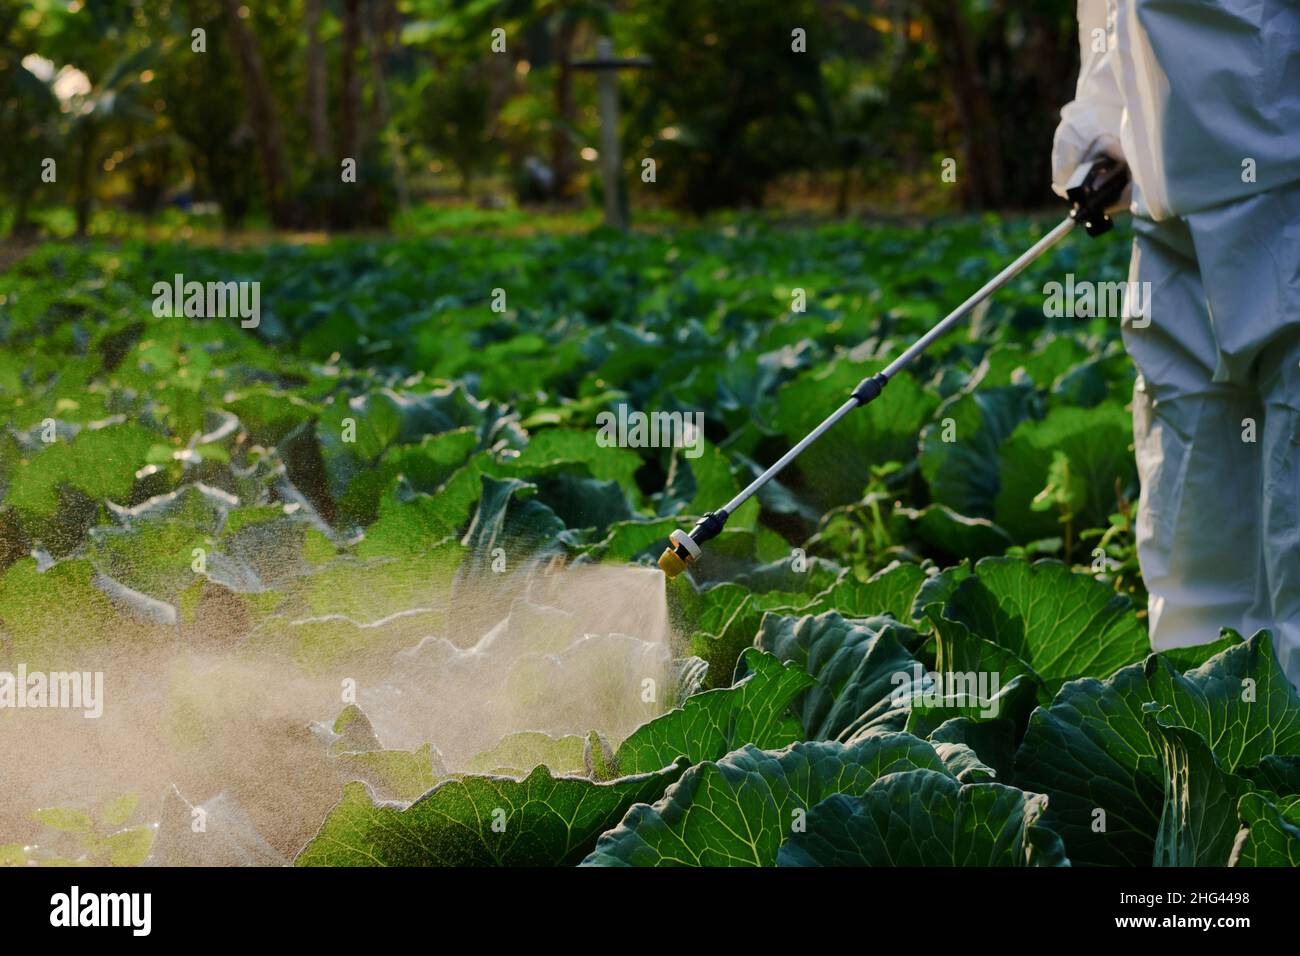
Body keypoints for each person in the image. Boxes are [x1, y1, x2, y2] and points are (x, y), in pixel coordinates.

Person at [1052, 0, 1300, 684]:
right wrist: (1103, 132)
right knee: (1189, 510)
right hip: (1170, 214)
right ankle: (1213, 750)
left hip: (1286, 193)